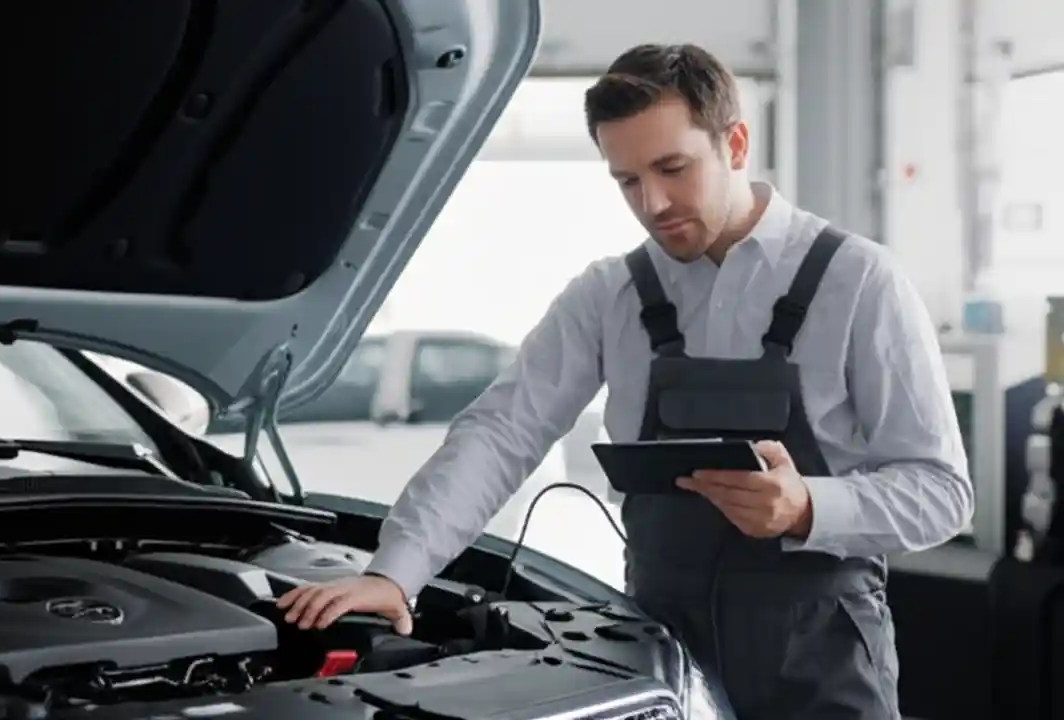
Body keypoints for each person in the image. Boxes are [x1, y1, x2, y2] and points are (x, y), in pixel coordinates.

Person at [277, 43, 972, 719]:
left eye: (673, 168)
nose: (654, 202)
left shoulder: (859, 282)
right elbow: (501, 433)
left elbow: (943, 495)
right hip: (659, 651)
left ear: (734, 144)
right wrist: (394, 571)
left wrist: (807, 508)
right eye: (628, 180)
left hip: (820, 656)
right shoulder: (610, 295)